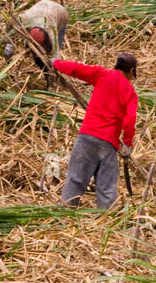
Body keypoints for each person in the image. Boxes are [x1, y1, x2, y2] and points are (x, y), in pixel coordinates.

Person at [52, 54, 138, 209]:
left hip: (86, 138)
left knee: (75, 180)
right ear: (131, 70)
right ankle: (106, 222)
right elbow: (130, 119)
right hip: (108, 144)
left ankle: (64, 214)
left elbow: (76, 69)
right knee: (106, 189)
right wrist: (127, 143)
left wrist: (56, 64)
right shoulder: (129, 91)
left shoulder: (102, 74)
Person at [4, 0, 69, 71]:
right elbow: (11, 22)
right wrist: (9, 45)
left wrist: (53, 65)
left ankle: (49, 75)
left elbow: (55, 54)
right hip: (42, 8)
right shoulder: (25, 19)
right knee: (37, 55)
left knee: (51, 56)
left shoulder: (51, 31)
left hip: (61, 14)